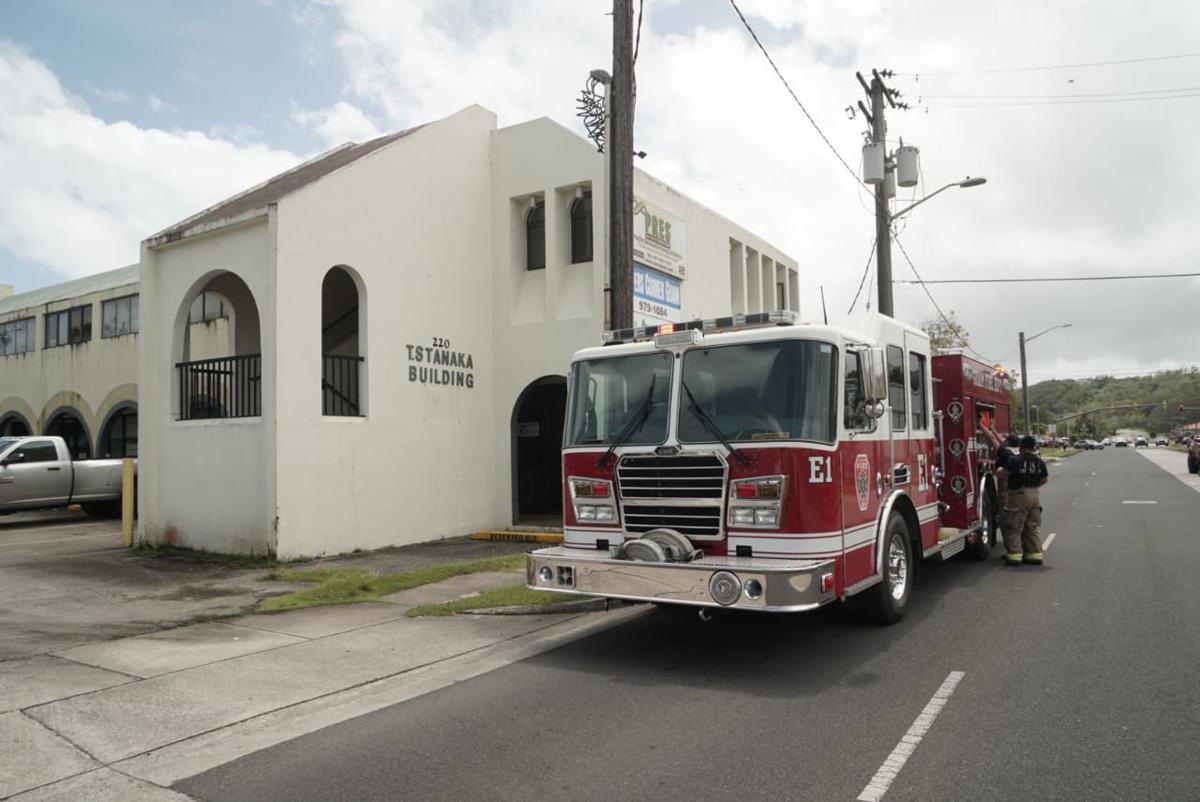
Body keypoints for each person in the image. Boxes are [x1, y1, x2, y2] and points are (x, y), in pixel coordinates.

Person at [995, 434, 1049, 566]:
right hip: (1034, 495)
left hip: (1018, 494)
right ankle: (1034, 554)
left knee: (1012, 525)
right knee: (1031, 526)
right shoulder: (1039, 462)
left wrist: (998, 470)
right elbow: (1044, 479)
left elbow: (1002, 474)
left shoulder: (1015, 460)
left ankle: (1014, 555)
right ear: (1034, 447)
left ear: (1021, 447)